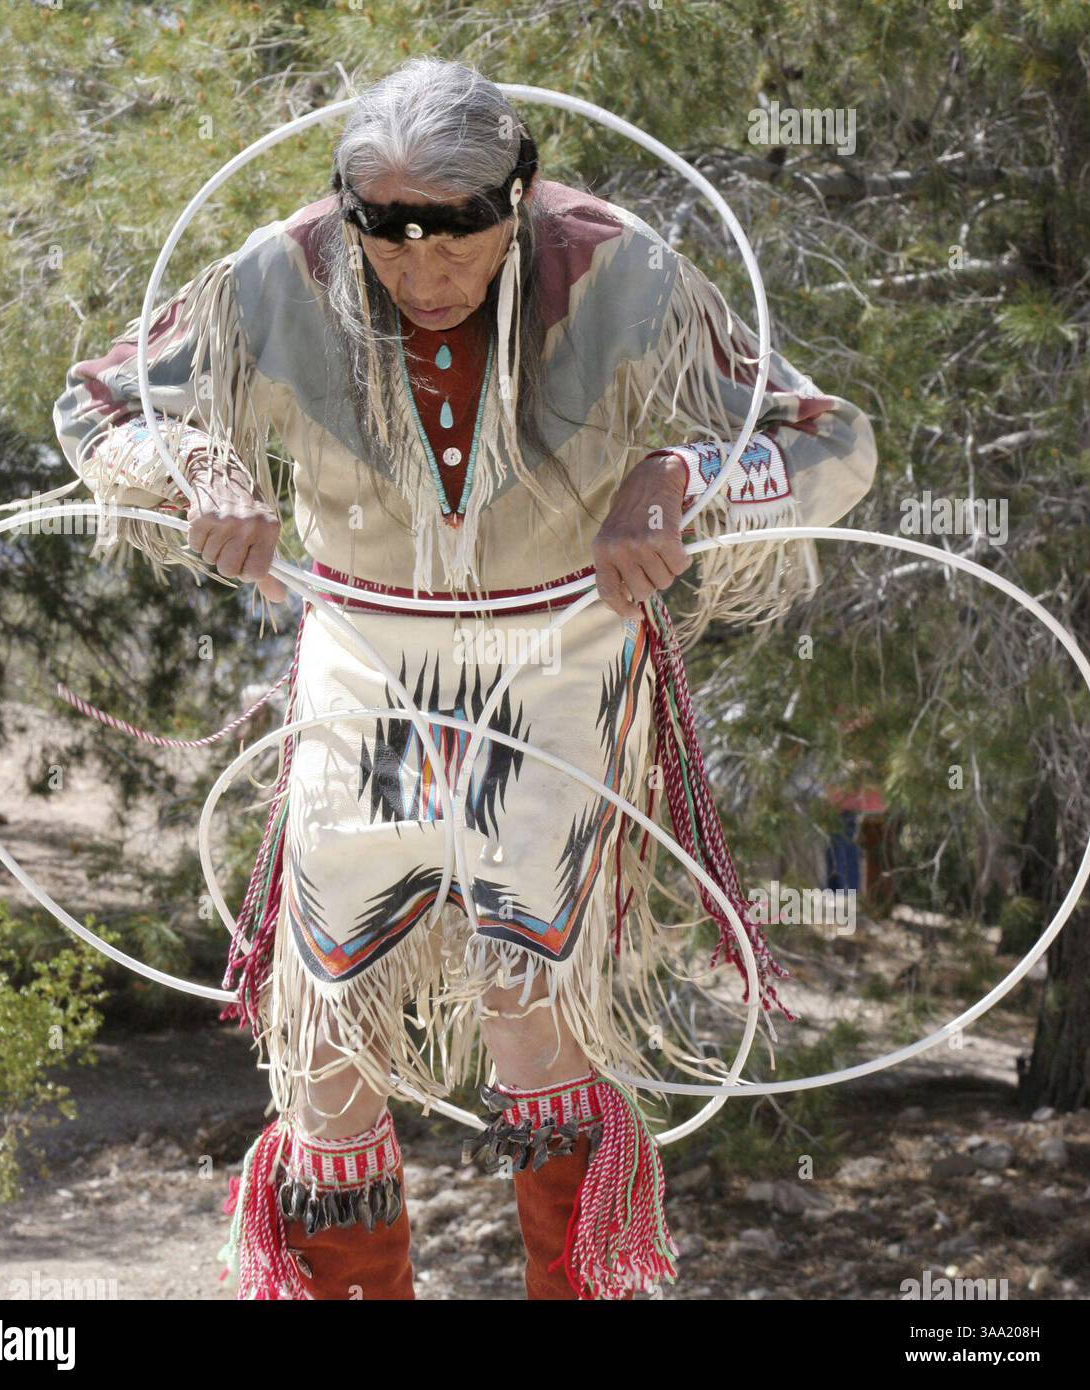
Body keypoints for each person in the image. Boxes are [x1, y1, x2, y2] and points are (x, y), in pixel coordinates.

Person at [44, 57, 878, 1300]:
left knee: (531, 1011)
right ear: (346, 208)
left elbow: (828, 437)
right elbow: (99, 404)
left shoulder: (624, 271)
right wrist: (197, 466)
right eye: (388, 244)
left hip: (556, 660)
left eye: (458, 244)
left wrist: (678, 478)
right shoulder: (283, 269)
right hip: (365, 665)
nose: (424, 279)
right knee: (322, 1029)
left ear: (521, 196)